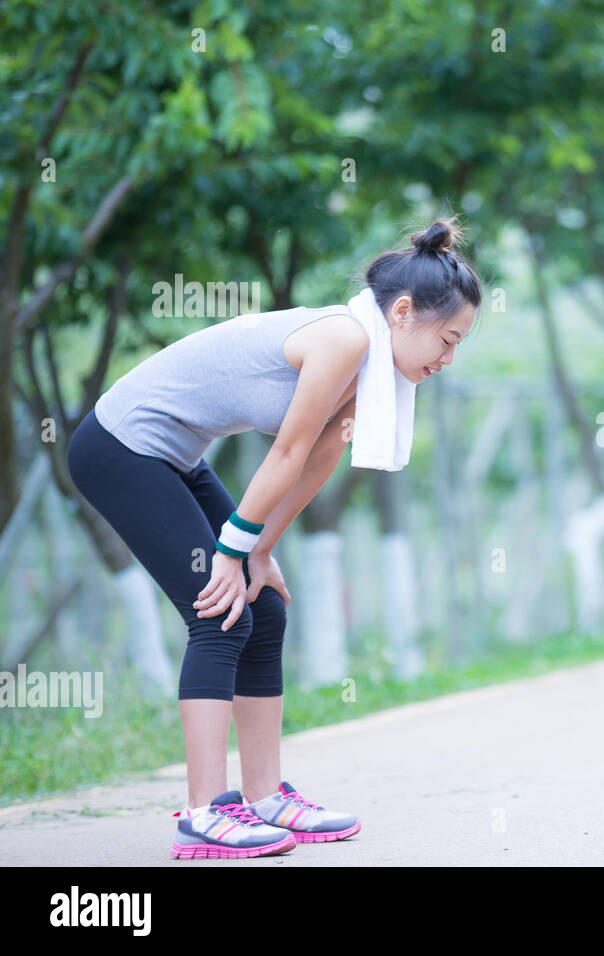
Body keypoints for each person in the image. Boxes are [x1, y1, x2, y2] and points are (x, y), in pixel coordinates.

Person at [67, 218, 482, 859]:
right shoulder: (344, 339)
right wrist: (232, 552)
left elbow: (317, 458)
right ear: (403, 313)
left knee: (262, 605)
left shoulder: (372, 365)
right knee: (221, 611)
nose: (447, 359)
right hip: (120, 447)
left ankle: (264, 799)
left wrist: (258, 552)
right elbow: (285, 450)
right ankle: (204, 815)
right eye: (447, 340)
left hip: (175, 458)